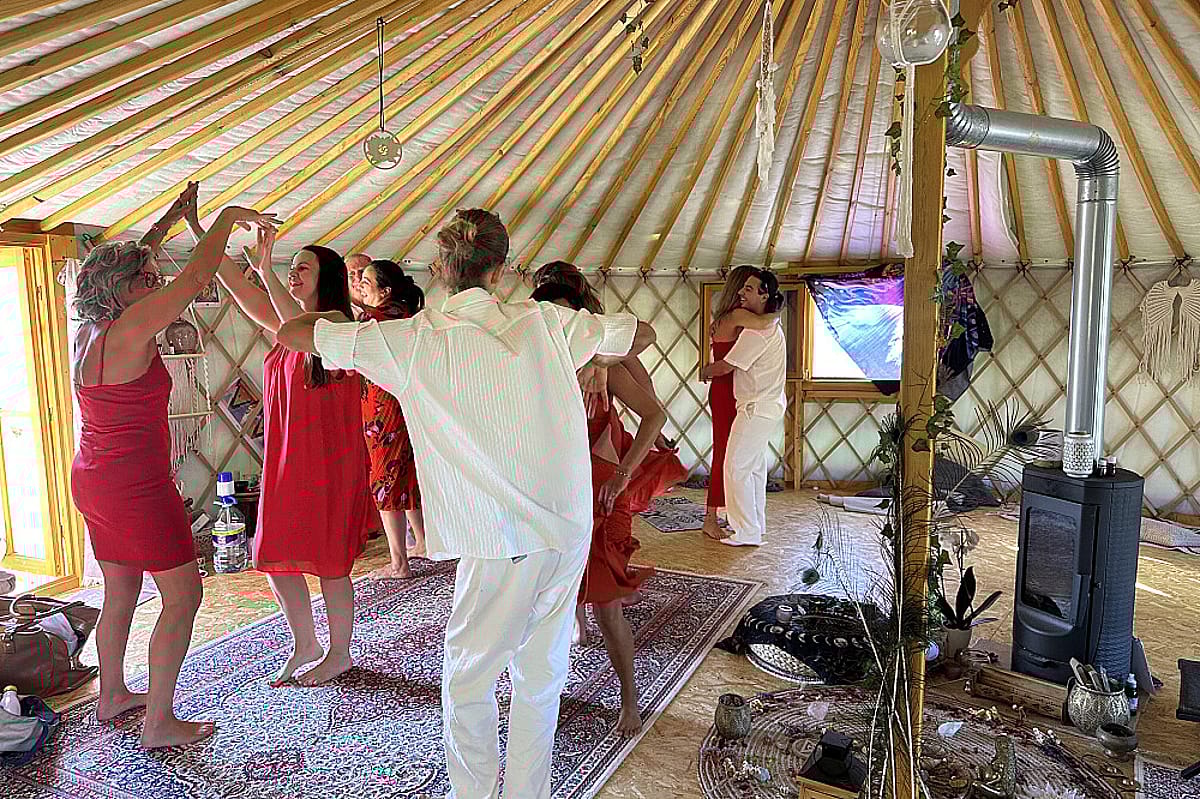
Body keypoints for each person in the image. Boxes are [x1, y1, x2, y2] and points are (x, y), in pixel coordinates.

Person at [277, 209, 655, 799]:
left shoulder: (409, 339)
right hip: (566, 529)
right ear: (501, 270)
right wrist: (596, 359)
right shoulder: (547, 321)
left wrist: (343, 318)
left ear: (438, 268)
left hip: (499, 538)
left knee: (469, 679)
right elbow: (644, 333)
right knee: (540, 673)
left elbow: (291, 335)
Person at [70, 184, 276, 748]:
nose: (154, 283)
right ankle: (159, 723)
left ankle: (113, 694)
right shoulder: (133, 326)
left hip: (94, 476)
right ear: (119, 290)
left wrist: (172, 219)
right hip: (134, 484)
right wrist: (226, 218)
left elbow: (138, 266)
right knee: (184, 597)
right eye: (144, 280)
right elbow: (193, 278)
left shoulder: (90, 330)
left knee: (120, 591)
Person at [187, 207, 371, 687]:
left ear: (327, 278)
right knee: (271, 551)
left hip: (330, 460)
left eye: (303, 268)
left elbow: (296, 327)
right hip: (289, 458)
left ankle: (339, 652)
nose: (294, 273)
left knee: (331, 562)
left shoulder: (336, 323)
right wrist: (204, 231)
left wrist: (266, 269)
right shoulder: (289, 324)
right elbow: (239, 290)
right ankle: (305, 642)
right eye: (292, 267)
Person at [530, 279, 686, 736]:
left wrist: (623, 474)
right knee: (552, 600)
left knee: (608, 604)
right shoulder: (533, 365)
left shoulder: (606, 361)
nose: (560, 324)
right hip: (555, 495)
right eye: (551, 316)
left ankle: (629, 700)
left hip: (601, 494)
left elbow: (654, 411)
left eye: (568, 315)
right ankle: (543, 693)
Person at [700, 268, 786, 547]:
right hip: (754, 401)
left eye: (748, 289)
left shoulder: (753, 327)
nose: (741, 293)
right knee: (751, 466)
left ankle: (745, 529)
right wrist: (776, 311)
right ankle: (752, 524)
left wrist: (705, 370)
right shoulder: (754, 322)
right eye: (743, 287)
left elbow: (726, 365)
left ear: (764, 295)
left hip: (750, 402)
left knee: (736, 466)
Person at [357, 258, 427, 577]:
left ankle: (399, 562)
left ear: (384, 291)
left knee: (385, 479)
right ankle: (423, 541)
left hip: (383, 409)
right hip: (410, 403)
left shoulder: (373, 319)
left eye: (365, 281)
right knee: (407, 474)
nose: (359, 285)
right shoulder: (407, 315)